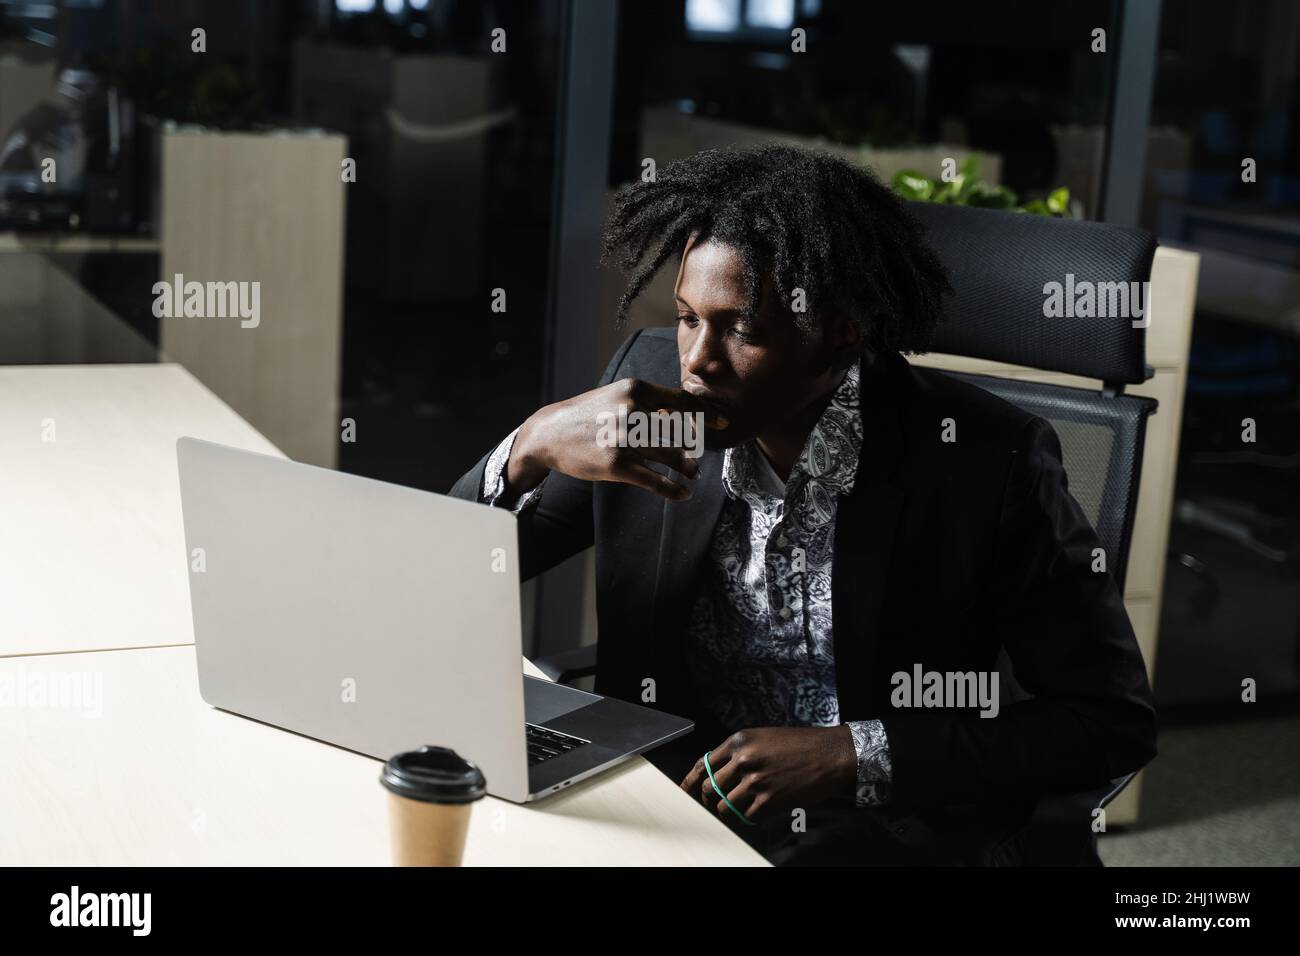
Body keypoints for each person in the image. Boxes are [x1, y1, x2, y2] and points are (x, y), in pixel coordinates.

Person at [449, 144, 1157, 865]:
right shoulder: (650, 394)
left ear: (839, 328)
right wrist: (529, 446)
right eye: (689, 318)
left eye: (743, 330)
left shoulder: (986, 459)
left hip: (883, 829)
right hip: (670, 805)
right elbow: (451, 572)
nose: (697, 361)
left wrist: (853, 753)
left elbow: (1109, 721)